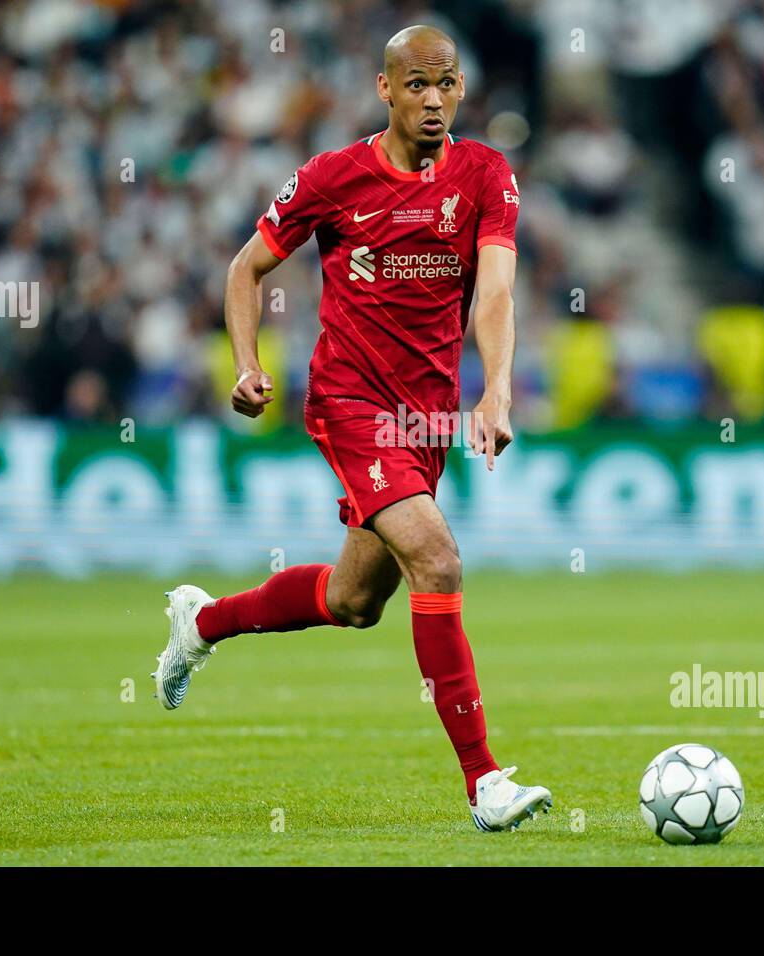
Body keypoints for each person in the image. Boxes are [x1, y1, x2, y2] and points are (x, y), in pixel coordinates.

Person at [152, 24, 551, 832]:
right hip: (351, 403)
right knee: (437, 562)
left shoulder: (485, 174)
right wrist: (244, 361)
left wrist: (497, 390)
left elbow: (497, 294)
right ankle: (484, 783)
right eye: (416, 85)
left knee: (354, 600)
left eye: (445, 83)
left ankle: (202, 623)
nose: (433, 99)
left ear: (461, 89)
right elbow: (246, 268)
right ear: (385, 90)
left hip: (428, 416)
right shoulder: (332, 177)